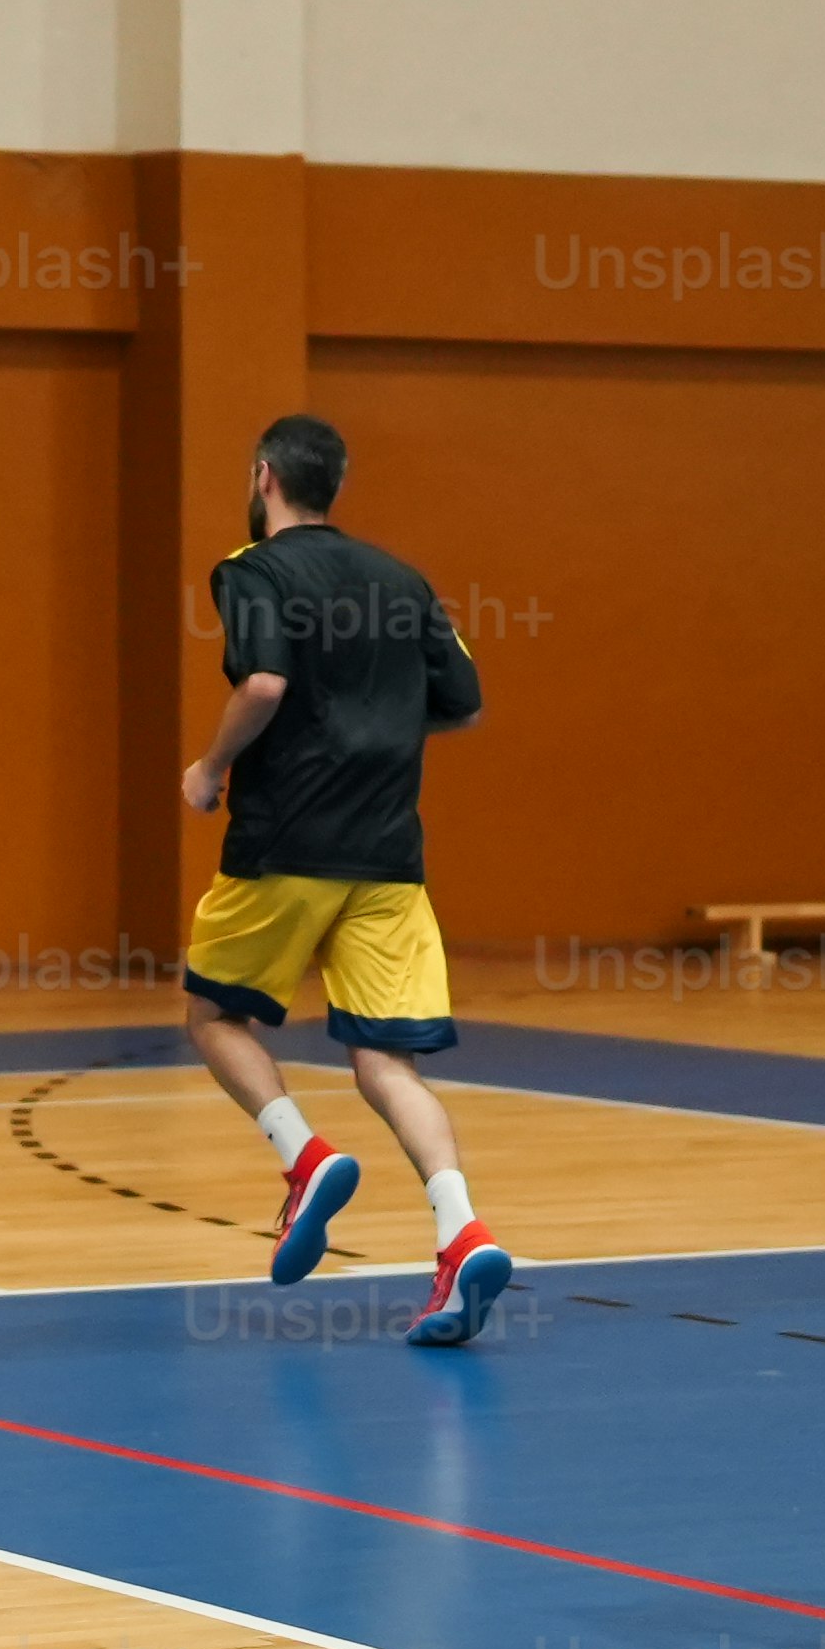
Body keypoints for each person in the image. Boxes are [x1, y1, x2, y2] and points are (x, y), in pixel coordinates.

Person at [176, 413, 507, 1343]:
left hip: (286, 842)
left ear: (264, 475)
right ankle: (460, 1230)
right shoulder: (403, 581)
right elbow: (462, 703)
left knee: (213, 1014)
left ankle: (303, 1156)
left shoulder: (252, 570)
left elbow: (266, 684)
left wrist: (208, 770)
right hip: (389, 857)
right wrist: (377, 732)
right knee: (386, 1062)